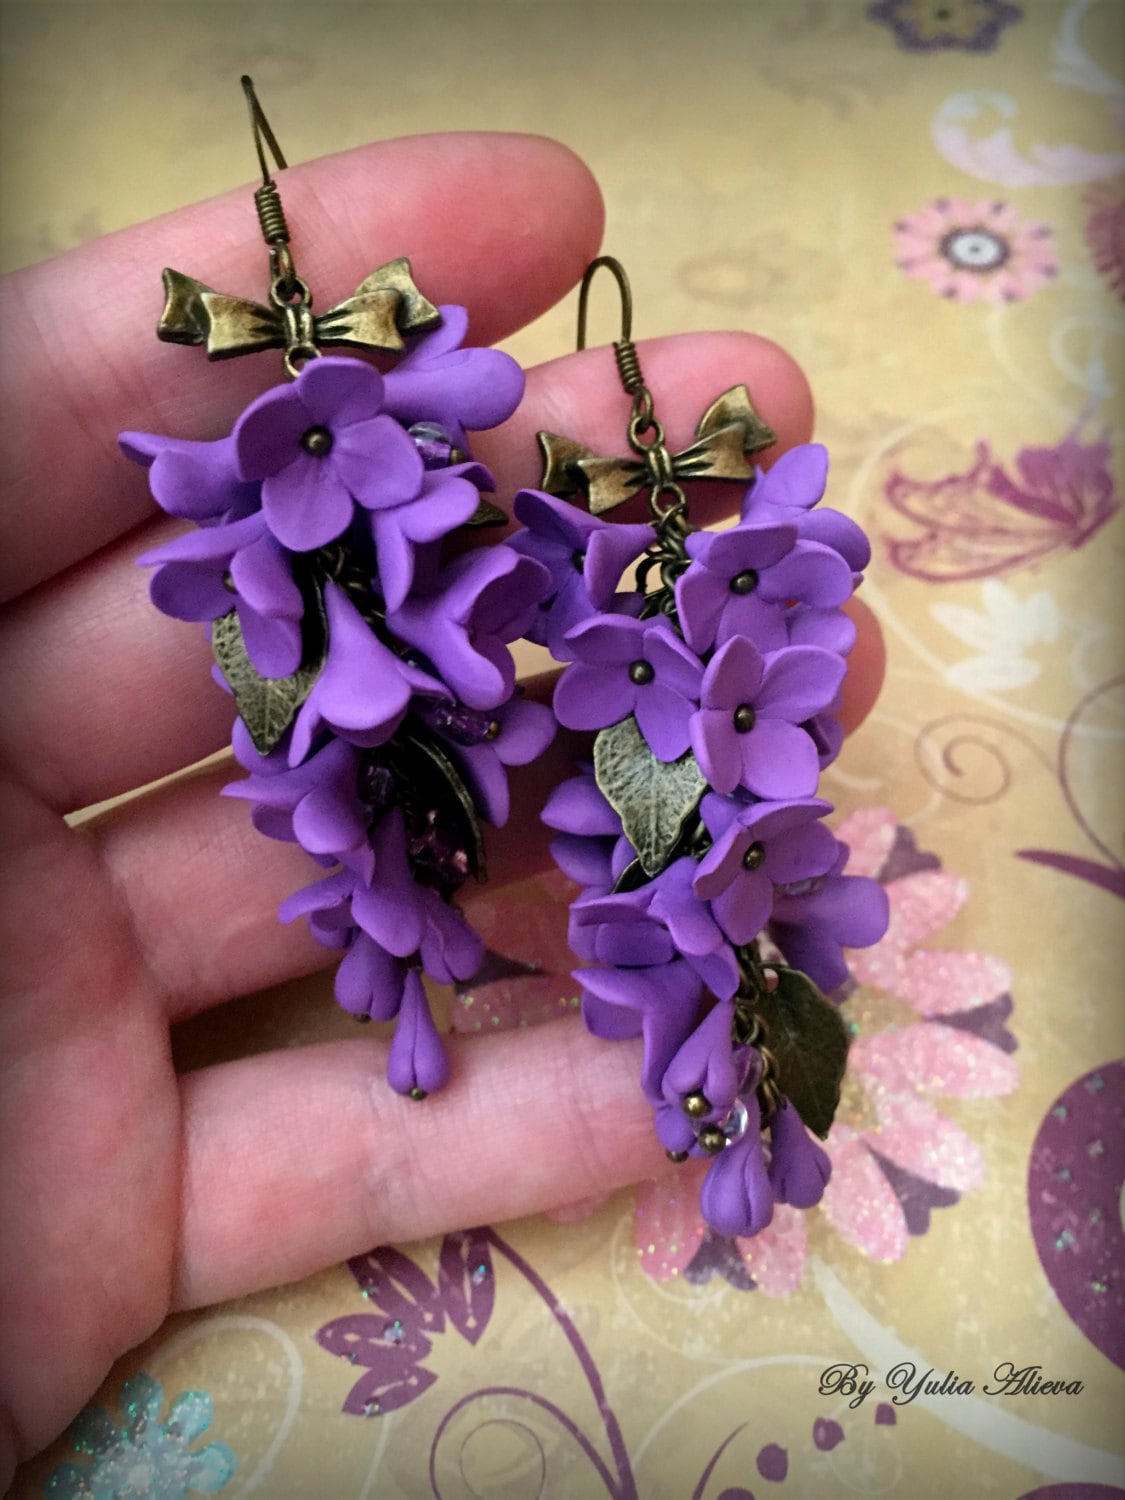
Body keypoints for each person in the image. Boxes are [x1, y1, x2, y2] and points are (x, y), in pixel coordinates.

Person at [0, 130, 884, 1483]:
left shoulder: (494, 516)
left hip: (667, 740)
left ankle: (729, 1070)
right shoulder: (306, 486)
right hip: (406, 639)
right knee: (388, 767)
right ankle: (419, 936)